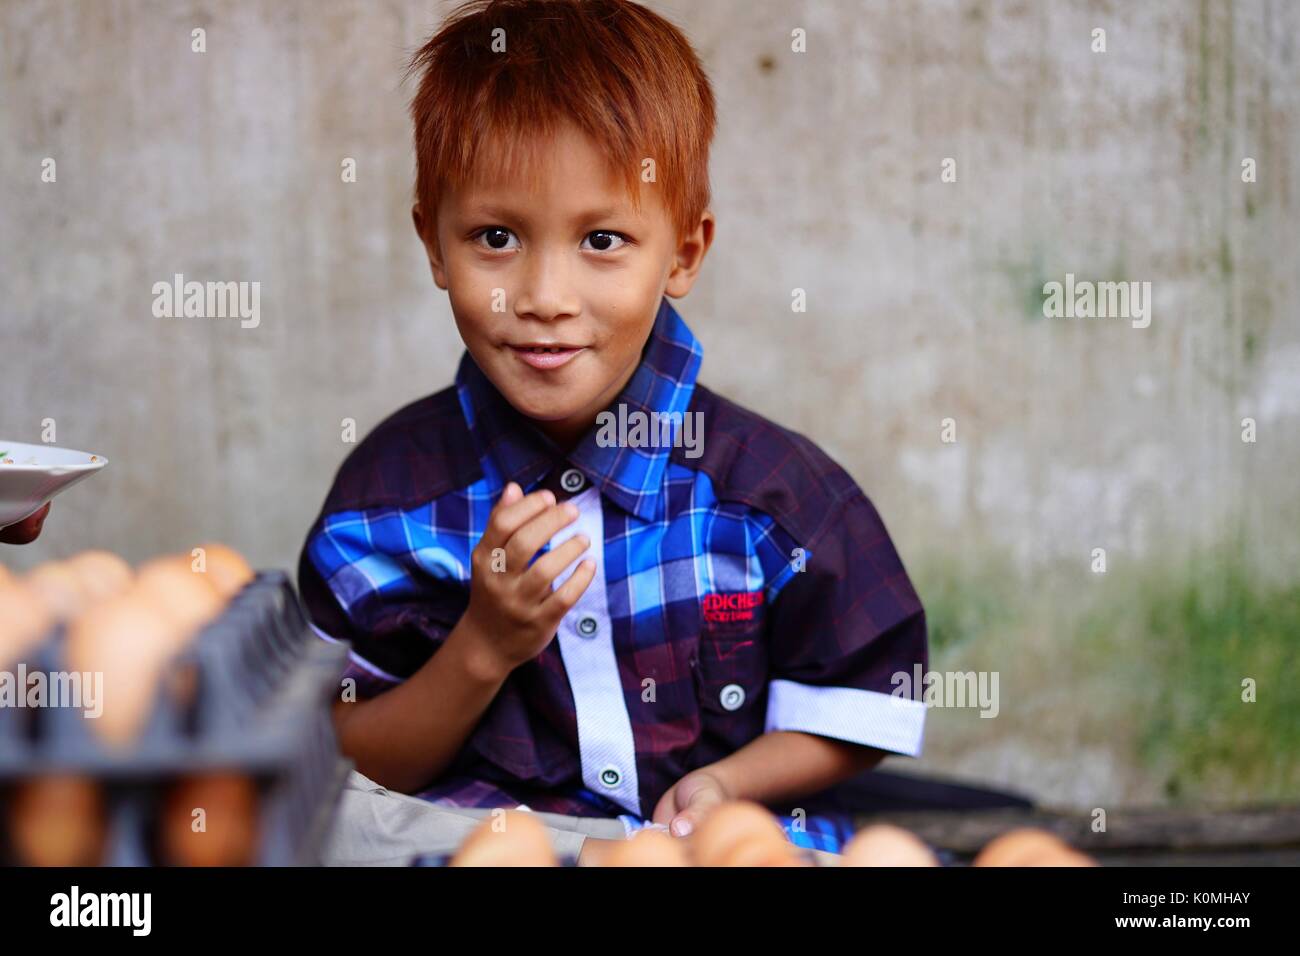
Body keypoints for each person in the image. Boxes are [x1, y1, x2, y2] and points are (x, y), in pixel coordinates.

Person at [301, 0, 928, 865]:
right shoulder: (389, 504)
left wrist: (734, 785)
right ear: (433, 244)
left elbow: (861, 704)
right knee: (313, 830)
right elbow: (348, 758)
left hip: (701, 847)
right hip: (488, 846)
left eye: (602, 239)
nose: (546, 295)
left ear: (683, 253)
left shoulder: (766, 496)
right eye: (495, 237)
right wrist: (481, 649)